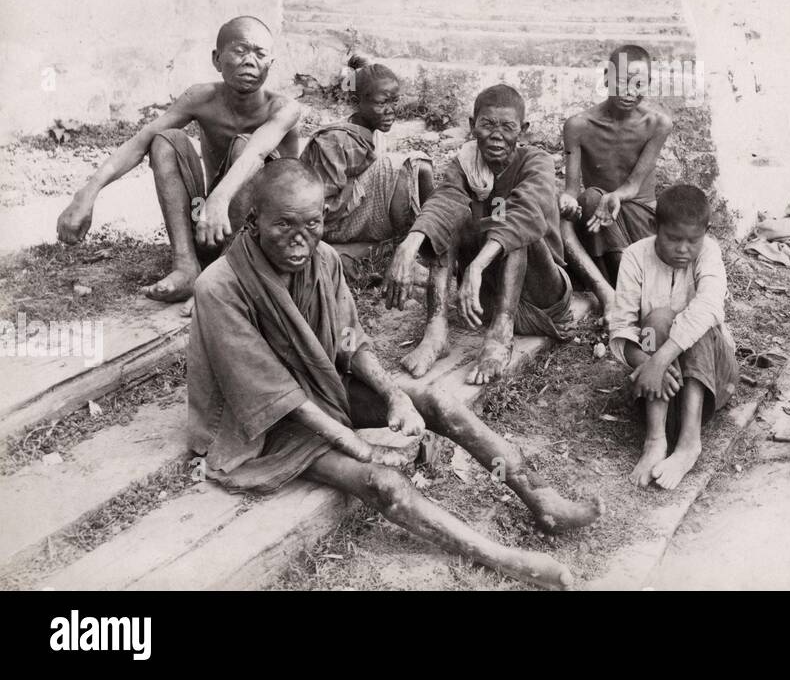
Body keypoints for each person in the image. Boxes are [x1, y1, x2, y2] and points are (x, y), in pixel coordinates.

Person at [188, 159, 602, 590]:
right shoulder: (219, 287)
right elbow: (269, 394)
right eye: (283, 226)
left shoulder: (323, 258)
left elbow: (350, 341)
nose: (299, 240)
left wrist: (394, 396)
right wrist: (353, 442)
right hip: (259, 425)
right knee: (382, 482)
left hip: (321, 388)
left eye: (311, 224)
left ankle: (539, 496)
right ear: (253, 221)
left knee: (438, 400)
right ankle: (505, 559)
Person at [55, 16, 301, 303]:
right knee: (164, 141)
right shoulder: (202, 97)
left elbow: (254, 154)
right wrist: (87, 193)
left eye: (260, 54)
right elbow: (140, 141)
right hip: (211, 223)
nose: (250, 61)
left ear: (271, 63)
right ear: (217, 59)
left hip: (267, 233)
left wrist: (218, 199)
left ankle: (230, 275)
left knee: (244, 145)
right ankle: (185, 265)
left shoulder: (285, 109)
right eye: (240, 50)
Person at [383, 84, 574, 384]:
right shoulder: (465, 163)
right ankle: (436, 331)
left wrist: (477, 265)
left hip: (541, 296)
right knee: (452, 218)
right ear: (473, 127)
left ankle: (500, 335)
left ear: (522, 131)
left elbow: (525, 212)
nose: (496, 135)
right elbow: (444, 202)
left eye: (508, 127)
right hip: (488, 296)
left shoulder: (537, 162)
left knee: (516, 228)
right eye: (487, 125)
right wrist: (410, 244)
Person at [607, 184, 739, 491]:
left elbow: (708, 307)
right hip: (661, 385)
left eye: (693, 240)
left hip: (712, 380)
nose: (684, 249)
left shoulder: (709, 252)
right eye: (673, 238)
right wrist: (649, 363)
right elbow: (623, 328)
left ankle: (689, 443)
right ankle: (655, 440)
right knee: (656, 319)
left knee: (700, 319)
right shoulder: (634, 257)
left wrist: (660, 359)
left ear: (706, 232)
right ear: (654, 227)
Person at [299, 54, 433, 277]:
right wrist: (364, 184)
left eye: (394, 102)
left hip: (354, 213)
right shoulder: (335, 141)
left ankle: (426, 246)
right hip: (331, 224)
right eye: (382, 103)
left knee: (412, 169)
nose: (391, 110)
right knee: (402, 167)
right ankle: (404, 249)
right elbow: (321, 207)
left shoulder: (373, 132)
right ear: (356, 102)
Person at [559, 46, 672, 307]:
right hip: (596, 218)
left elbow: (632, 186)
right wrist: (566, 201)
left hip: (641, 218)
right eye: (622, 82)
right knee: (589, 198)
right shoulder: (578, 126)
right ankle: (626, 293)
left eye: (639, 84)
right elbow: (572, 189)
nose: (629, 92)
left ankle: (620, 292)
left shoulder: (658, 124)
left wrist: (615, 197)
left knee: (601, 201)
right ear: (607, 78)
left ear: (649, 84)